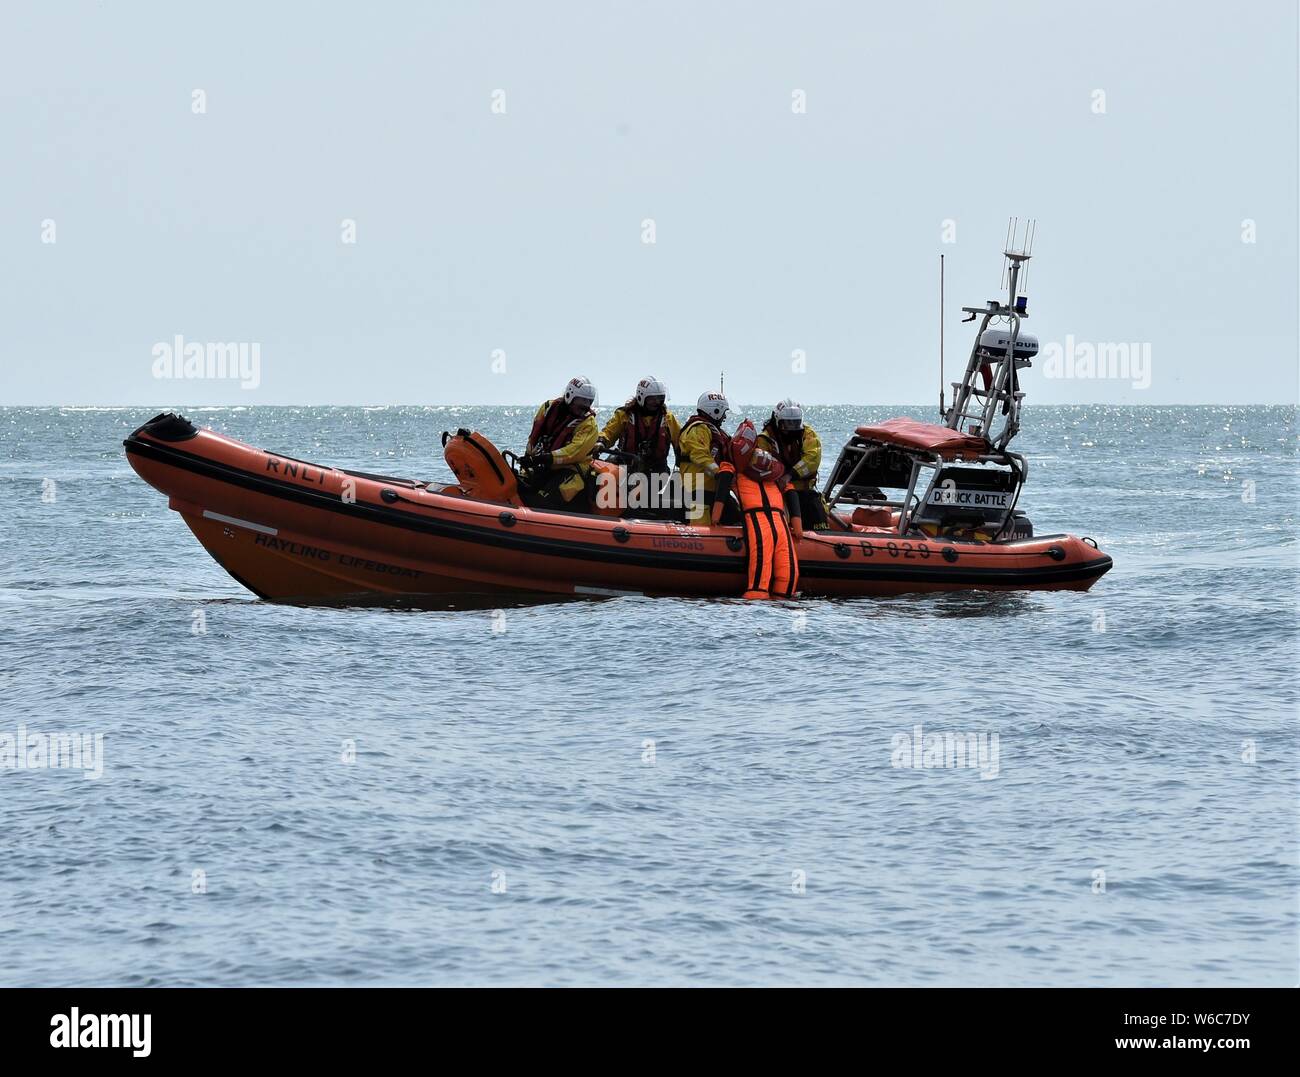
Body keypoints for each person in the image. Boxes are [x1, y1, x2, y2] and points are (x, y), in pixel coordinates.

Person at [713, 419, 801, 599]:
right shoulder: (734, 471)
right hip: (757, 519)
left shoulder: (774, 474)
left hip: (778, 521)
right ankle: (758, 595)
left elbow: (790, 490)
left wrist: (797, 523)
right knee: (761, 570)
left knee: (789, 573)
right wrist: (715, 517)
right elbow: (723, 484)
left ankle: (779, 596)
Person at [519, 377, 599, 512]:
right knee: (519, 487)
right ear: (569, 396)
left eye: (589, 401)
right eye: (582, 400)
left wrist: (546, 458)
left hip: (571, 469)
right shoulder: (548, 408)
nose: (586, 405)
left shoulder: (589, 424)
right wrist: (530, 458)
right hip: (543, 464)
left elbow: (574, 452)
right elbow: (534, 436)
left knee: (542, 501)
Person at [757, 399, 828, 529]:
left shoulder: (808, 434)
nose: (791, 429)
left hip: (804, 491)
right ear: (777, 421)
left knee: (819, 521)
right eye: (787, 424)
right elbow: (761, 465)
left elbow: (812, 459)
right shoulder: (765, 439)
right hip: (778, 493)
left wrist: (790, 475)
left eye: (795, 424)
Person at [595, 377, 680, 475]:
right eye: (652, 399)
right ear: (641, 397)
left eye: (660, 398)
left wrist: (682, 459)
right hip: (625, 464)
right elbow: (609, 432)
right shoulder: (624, 415)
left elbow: (680, 441)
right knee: (601, 475)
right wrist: (601, 442)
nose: (656, 402)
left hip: (657, 469)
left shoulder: (668, 418)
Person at [678, 391, 735, 524]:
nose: (725, 417)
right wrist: (718, 472)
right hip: (697, 489)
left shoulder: (716, 431)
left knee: (735, 514)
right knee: (701, 527)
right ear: (715, 410)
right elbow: (699, 454)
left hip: (715, 489)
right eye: (723, 412)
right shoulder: (698, 429)